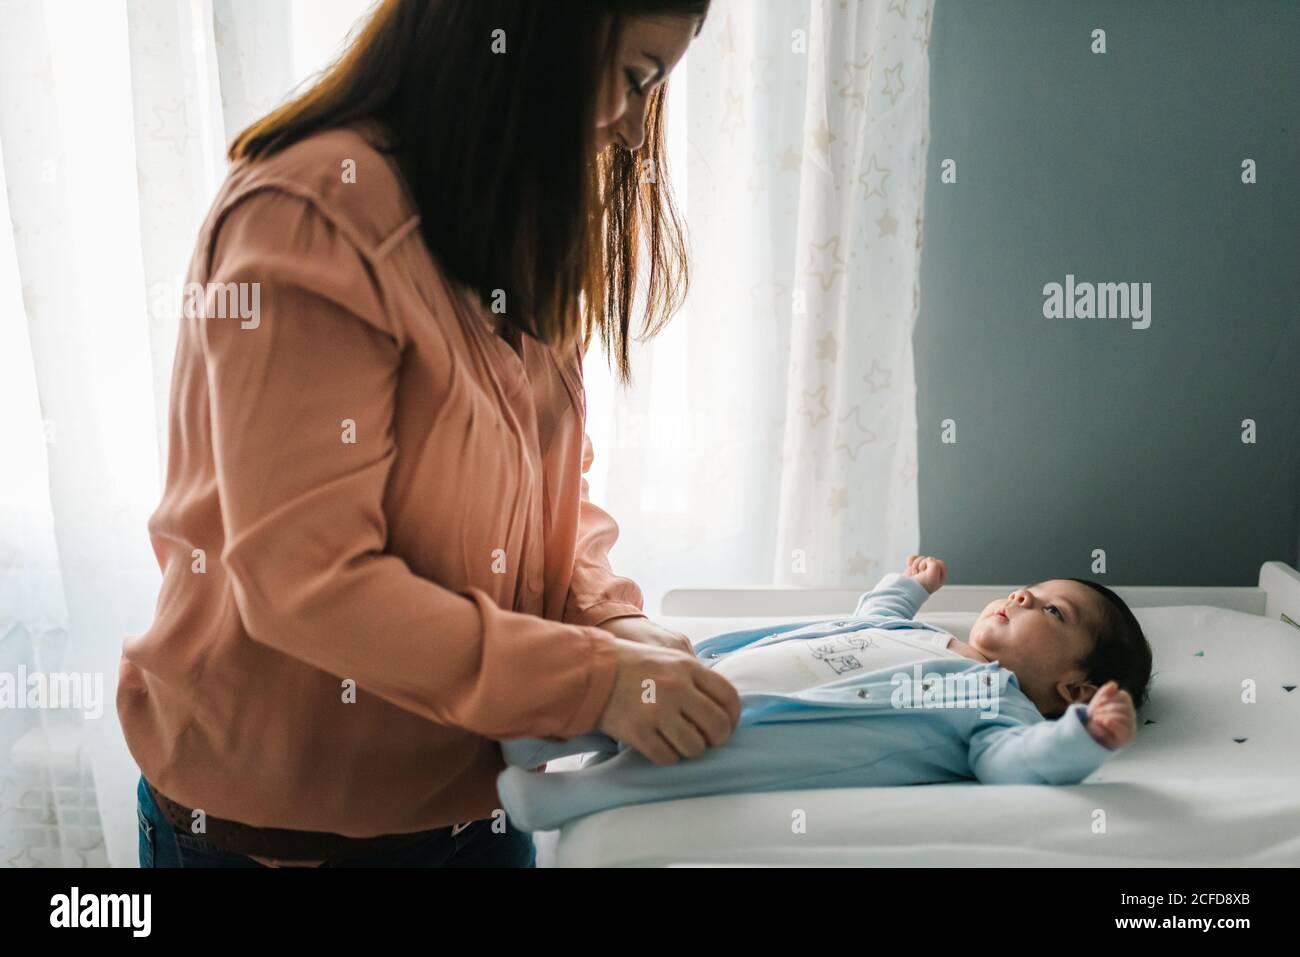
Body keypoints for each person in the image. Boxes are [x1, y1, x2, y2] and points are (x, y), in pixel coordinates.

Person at [121, 0, 738, 869]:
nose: (638, 131)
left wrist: (603, 617)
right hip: (285, 840)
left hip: (479, 807)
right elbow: (308, 582)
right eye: (637, 79)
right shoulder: (314, 214)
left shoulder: (509, 209)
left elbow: (550, 477)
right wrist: (594, 678)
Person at [496, 556, 1153, 831]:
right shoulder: (921, 632)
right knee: (648, 691)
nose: (1021, 595)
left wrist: (1077, 738)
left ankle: (573, 797)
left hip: (772, 731)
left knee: (689, 754)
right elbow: (873, 615)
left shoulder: (997, 704)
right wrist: (910, 586)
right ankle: (550, 733)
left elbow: (1013, 763)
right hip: (737, 670)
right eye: (1029, 588)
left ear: (1076, 685)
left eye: (1052, 611)